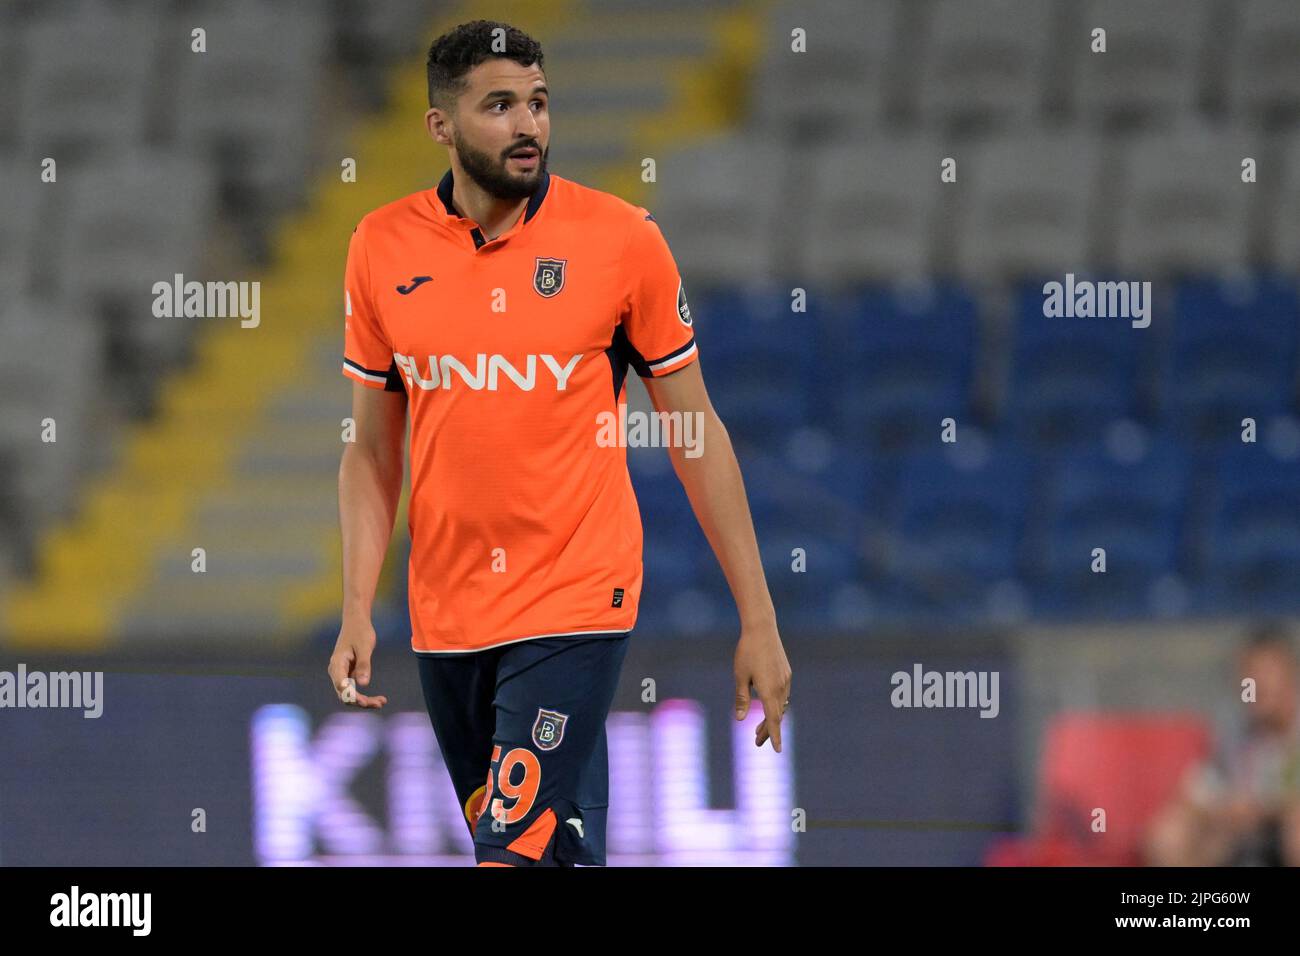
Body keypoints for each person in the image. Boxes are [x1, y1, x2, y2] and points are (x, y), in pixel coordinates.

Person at [328, 20, 791, 867]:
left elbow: (696, 432)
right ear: (441, 126)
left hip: (576, 598)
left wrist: (758, 618)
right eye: (499, 105)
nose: (528, 125)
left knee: (510, 856)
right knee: (558, 853)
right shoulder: (380, 247)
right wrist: (359, 603)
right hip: (446, 616)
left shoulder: (620, 240)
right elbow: (370, 448)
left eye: (538, 103)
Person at [1144, 622, 1300, 866]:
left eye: (1265, 672)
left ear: (1290, 673)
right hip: (1244, 833)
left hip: (1285, 829)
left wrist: (1265, 809)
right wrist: (1214, 811)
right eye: (1248, 674)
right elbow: (1202, 788)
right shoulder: (1236, 732)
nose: (1256, 684)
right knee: (1171, 832)